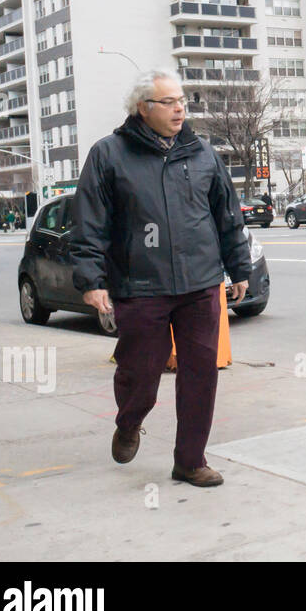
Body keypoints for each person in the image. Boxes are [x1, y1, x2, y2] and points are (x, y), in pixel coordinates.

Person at [71, 68, 251, 487]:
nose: (179, 108)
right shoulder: (109, 154)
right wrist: (92, 280)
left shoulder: (202, 152)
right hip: (141, 286)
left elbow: (227, 214)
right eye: (168, 102)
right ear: (142, 108)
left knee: (200, 374)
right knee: (140, 373)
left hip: (200, 284)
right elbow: (90, 223)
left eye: (182, 100)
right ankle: (130, 421)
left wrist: (238, 266)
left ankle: (190, 460)